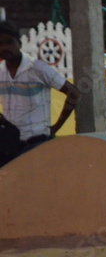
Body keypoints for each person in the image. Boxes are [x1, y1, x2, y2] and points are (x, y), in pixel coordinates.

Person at [0, 21, 81, 167]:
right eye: (0, 44)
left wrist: (56, 126)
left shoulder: (37, 68)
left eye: (9, 42)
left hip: (35, 143)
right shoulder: (1, 71)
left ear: (19, 42)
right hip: (8, 144)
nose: (5, 48)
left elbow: (73, 93)